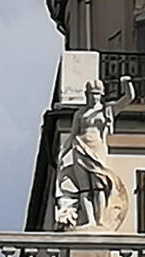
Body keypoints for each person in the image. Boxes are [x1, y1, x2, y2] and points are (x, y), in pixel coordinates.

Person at [55, 76, 134, 229]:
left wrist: (126, 83)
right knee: (84, 188)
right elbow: (72, 135)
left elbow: (128, 98)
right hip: (80, 147)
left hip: (97, 149)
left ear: (101, 95)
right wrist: (63, 152)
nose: (93, 97)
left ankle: (100, 220)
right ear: (86, 95)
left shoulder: (107, 110)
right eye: (91, 94)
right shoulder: (80, 114)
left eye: (96, 94)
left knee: (99, 186)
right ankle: (90, 221)